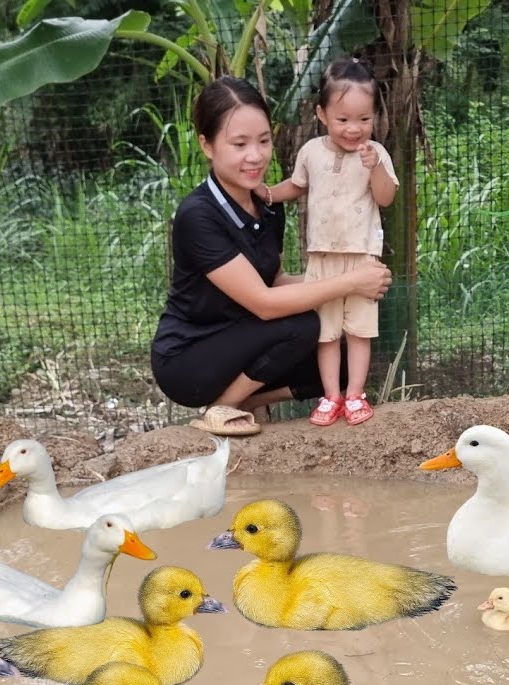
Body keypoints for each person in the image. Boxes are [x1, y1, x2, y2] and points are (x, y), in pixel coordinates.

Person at [150, 75, 392, 437]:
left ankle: (245, 401)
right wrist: (351, 280)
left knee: (341, 347)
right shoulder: (198, 215)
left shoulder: (267, 205)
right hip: (190, 356)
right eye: (239, 144)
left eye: (263, 141)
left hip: (245, 339)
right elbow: (265, 302)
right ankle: (222, 408)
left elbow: (275, 280)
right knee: (304, 324)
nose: (256, 156)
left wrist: (354, 283)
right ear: (207, 145)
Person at [264, 58, 399, 426]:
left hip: (362, 261)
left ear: (374, 117)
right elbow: (296, 186)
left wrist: (375, 167)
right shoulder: (311, 152)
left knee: (358, 331)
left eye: (364, 119)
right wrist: (267, 194)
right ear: (322, 114)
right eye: (343, 120)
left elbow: (385, 198)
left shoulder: (377, 154)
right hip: (321, 258)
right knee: (325, 334)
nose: (354, 129)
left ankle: (355, 395)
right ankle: (331, 397)